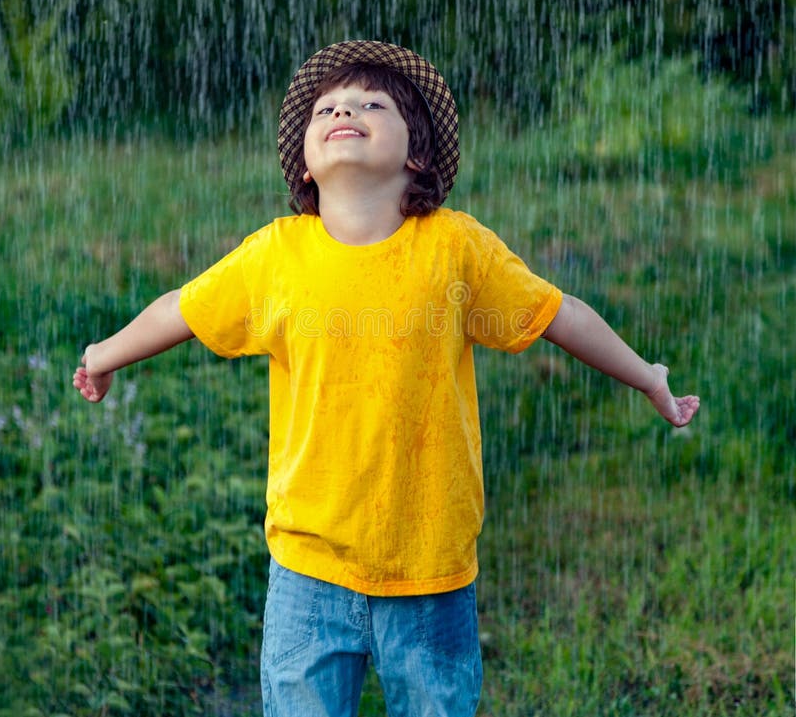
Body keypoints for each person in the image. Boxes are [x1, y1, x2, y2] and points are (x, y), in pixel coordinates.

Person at [73, 40, 700, 717]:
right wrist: (104, 353)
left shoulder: (455, 247)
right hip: (309, 566)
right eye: (327, 108)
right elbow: (182, 308)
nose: (345, 108)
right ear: (306, 166)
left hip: (431, 563)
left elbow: (559, 313)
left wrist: (646, 375)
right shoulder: (276, 256)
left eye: (373, 103)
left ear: (417, 155)